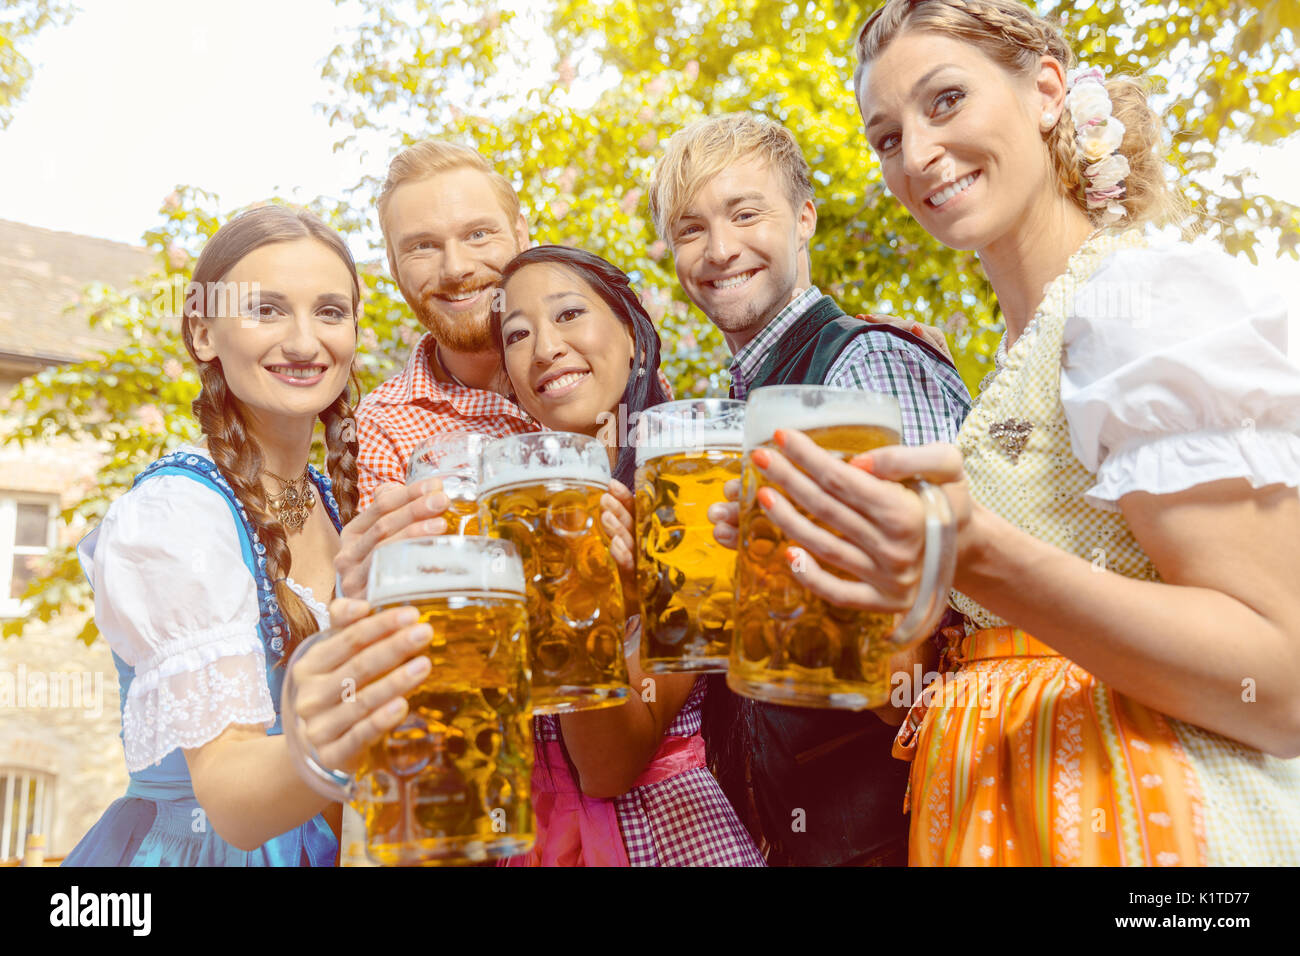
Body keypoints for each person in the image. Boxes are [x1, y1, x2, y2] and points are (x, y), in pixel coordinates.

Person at [739, 0, 1300, 865]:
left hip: (1157, 840)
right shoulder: (1014, 355)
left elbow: (1282, 685)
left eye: (946, 100)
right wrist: (886, 606)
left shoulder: (1138, 302)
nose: (917, 155)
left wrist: (975, 550)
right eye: (886, 137)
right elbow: (932, 691)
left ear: (1045, 91)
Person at [646, 111, 972, 865]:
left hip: (890, 830)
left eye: (746, 213)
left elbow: (948, 618)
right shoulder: (740, 406)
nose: (720, 249)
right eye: (691, 229)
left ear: (804, 218)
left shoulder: (866, 367)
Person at [62, 206, 434, 866]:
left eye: (329, 312)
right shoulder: (178, 514)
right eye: (266, 310)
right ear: (203, 332)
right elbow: (232, 803)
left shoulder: (339, 504)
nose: (303, 341)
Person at [487, 244, 764, 866]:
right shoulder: (507, 512)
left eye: (568, 315)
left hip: (665, 838)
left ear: (635, 338)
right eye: (517, 333)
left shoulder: (687, 498)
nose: (545, 348)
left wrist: (598, 607)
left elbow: (609, 767)